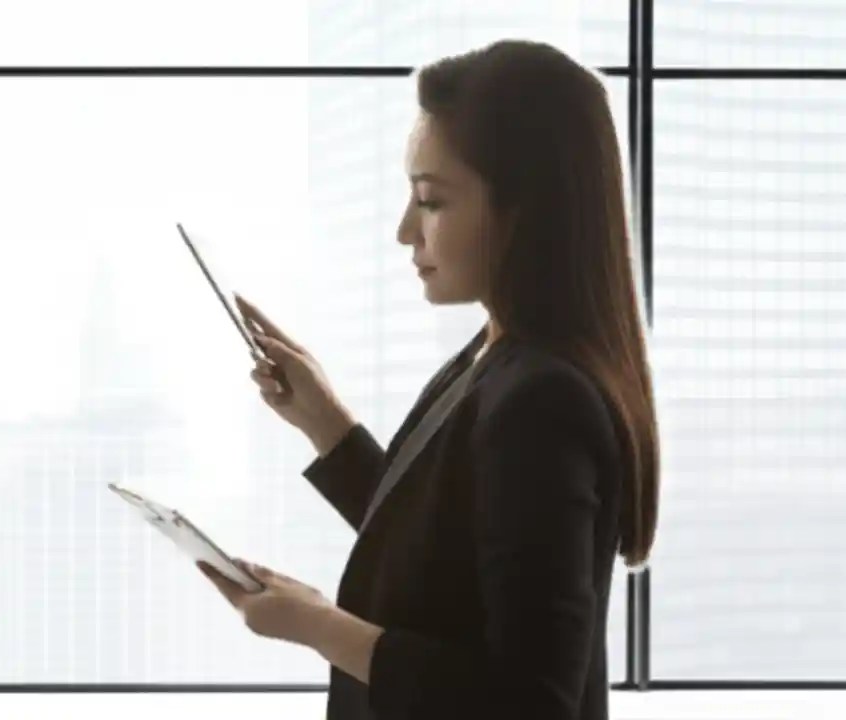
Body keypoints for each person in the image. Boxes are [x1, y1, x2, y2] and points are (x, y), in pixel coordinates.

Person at [196, 39, 660, 720]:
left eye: (431, 200)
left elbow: (531, 703)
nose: (405, 230)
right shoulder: (494, 354)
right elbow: (442, 553)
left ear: (524, 209)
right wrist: (326, 424)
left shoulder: (542, 400)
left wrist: (318, 625)